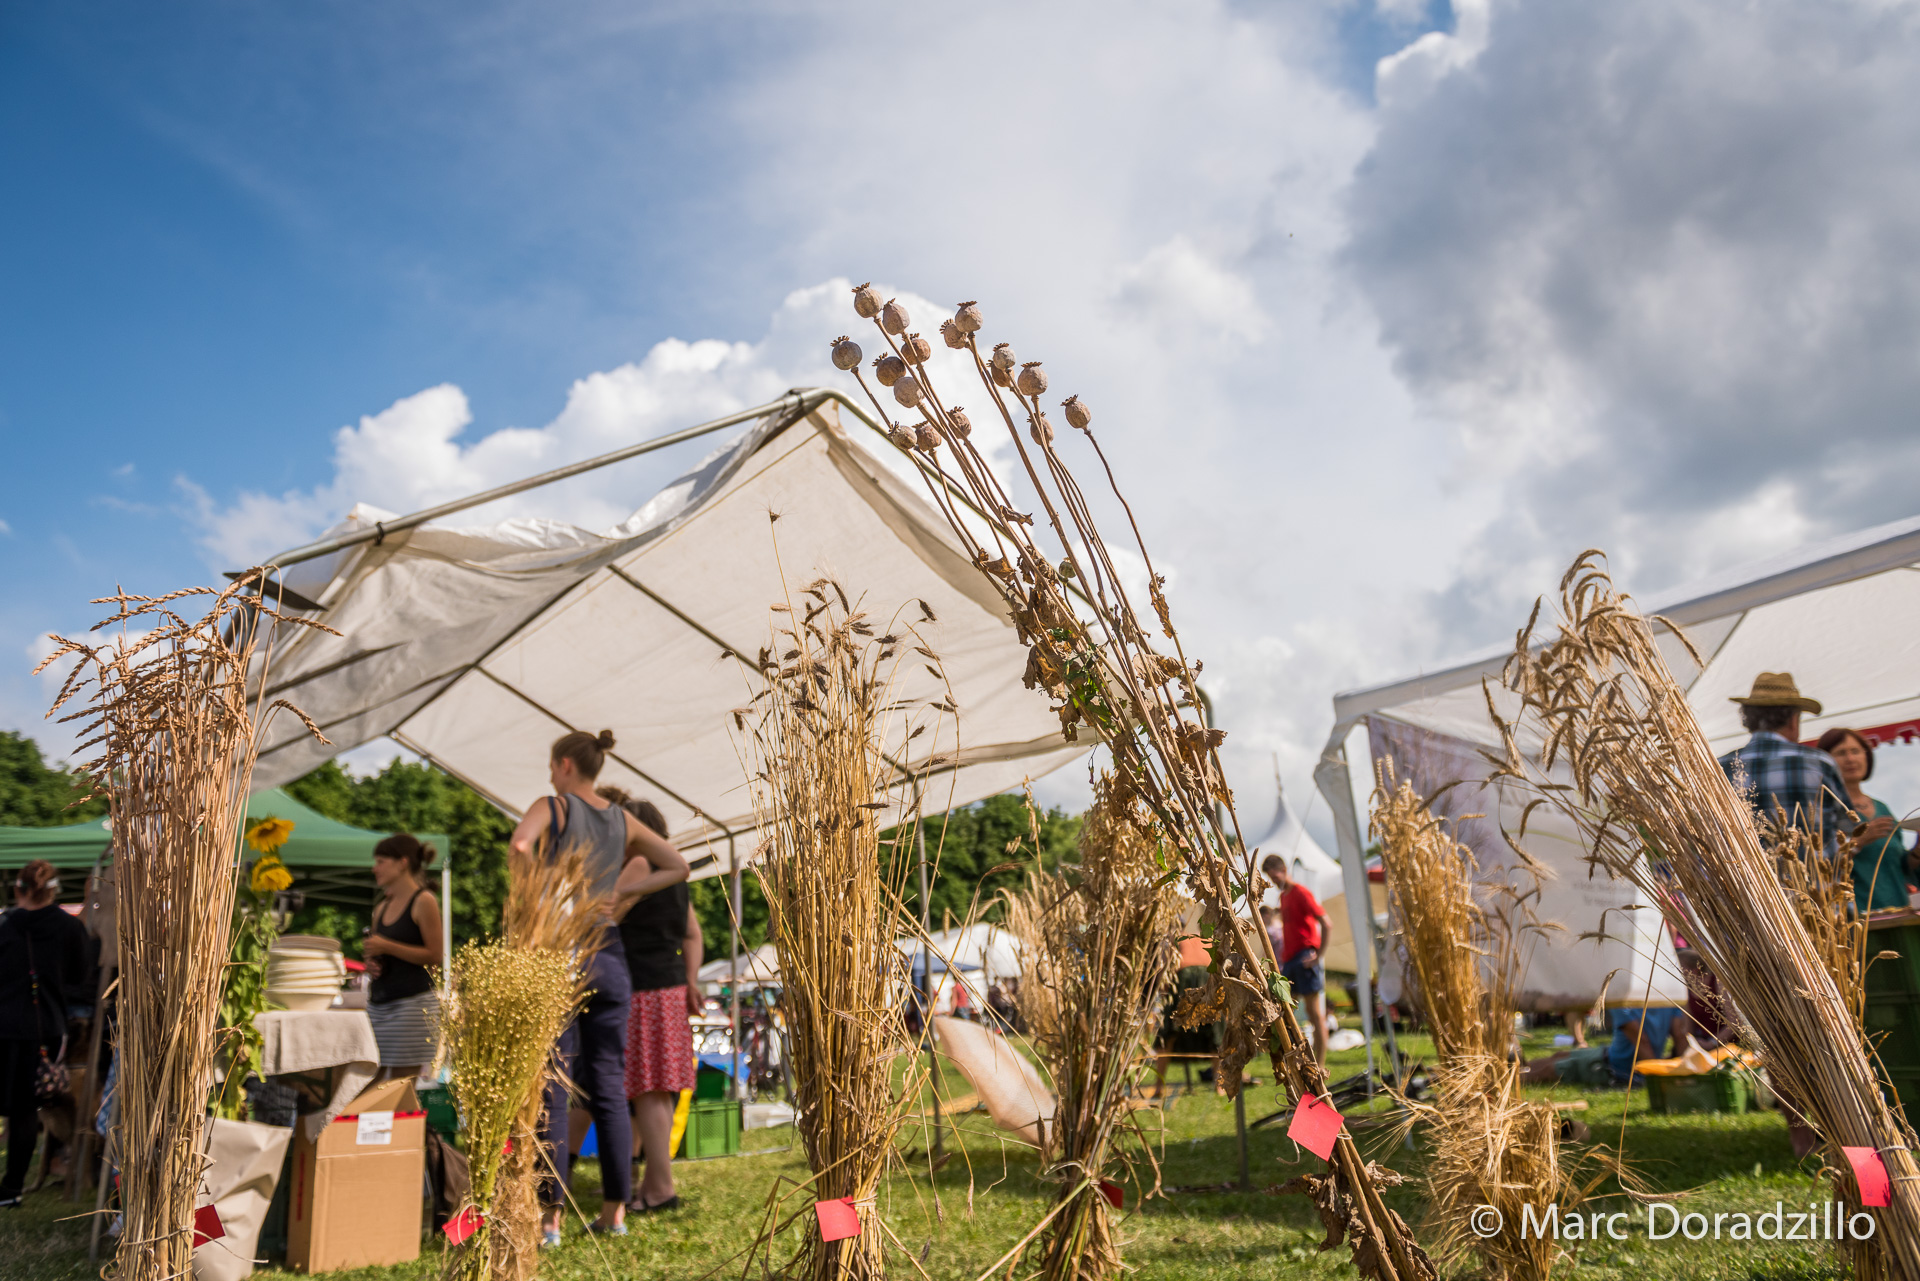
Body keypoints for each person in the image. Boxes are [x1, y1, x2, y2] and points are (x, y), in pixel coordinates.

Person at [509, 729, 688, 1243]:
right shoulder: (622, 818)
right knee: (609, 1085)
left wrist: (538, 898)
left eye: (551, 766)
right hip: (609, 956)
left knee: (557, 1087)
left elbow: (521, 844)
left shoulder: (554, 806)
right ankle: (614, 1214)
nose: (549, 775)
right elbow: (678, 865)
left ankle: (551, 1219)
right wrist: (620, 893)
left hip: (563, 949)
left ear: (565, 764)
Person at [607, 791, 701, 1215]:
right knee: (656, 1093)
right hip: (668, 988)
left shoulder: (641, 865)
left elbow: (604, 914)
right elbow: (692, 933)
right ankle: (652, 1183)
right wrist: (692, 980)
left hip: (643, 990)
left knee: (646, 1092)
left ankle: (660, 1186)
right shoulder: (674, 874)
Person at [0, 860, 89, 1207]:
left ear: (18, 888)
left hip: (4, 1027)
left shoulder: (4, 925)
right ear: (54, 890)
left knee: (17, 1111)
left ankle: (10, 1188)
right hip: (45, 1030)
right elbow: (79, 977)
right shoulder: (69, 928)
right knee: (24, 1110)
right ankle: (10, 1189)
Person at [1718, 673, 1847, 854]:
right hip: (1815, 880)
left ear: (1748, 719)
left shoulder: (1720, 768)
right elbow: (1846, 824)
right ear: (1793, 720)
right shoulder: (1819, 762)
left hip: (1743, 881)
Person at [362, 834, 444, 1082]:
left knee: (400, 1083)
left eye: (381, 861)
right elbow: (381, 953)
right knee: (369, 1076)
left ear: (402, 863)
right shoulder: (382, 907)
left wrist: (387, 946)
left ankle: (401, 1122)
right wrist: (373, 964)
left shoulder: (424, 901)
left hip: (412, 1005)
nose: (374, 868)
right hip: (380, 1004)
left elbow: (435, 956)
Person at [1818, 727, 1913, 913]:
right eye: (1841, 753)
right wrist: (1860, 841)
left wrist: (1916, 854)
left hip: (1899, 913)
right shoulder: (1824, 809)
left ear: (1867, 756)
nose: (1850, 759)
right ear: (1824, 761)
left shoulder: (1881, 807)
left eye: (1855, 751)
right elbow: (1818, 865)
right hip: (1854, 921)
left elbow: (1899, 866)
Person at [1263, 853, 1331, 1066]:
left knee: (1314, 1012)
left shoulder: (1301, 892)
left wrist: (1318, 955)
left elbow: (1326, 923)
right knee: (1284, 1011)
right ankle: (1298, 1061)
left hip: (1304, 956)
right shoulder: (1283, 897)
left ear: (1283, 870)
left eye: (1275, 877)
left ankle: (1319, 1065)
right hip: (1289, 960)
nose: (1274, 883)